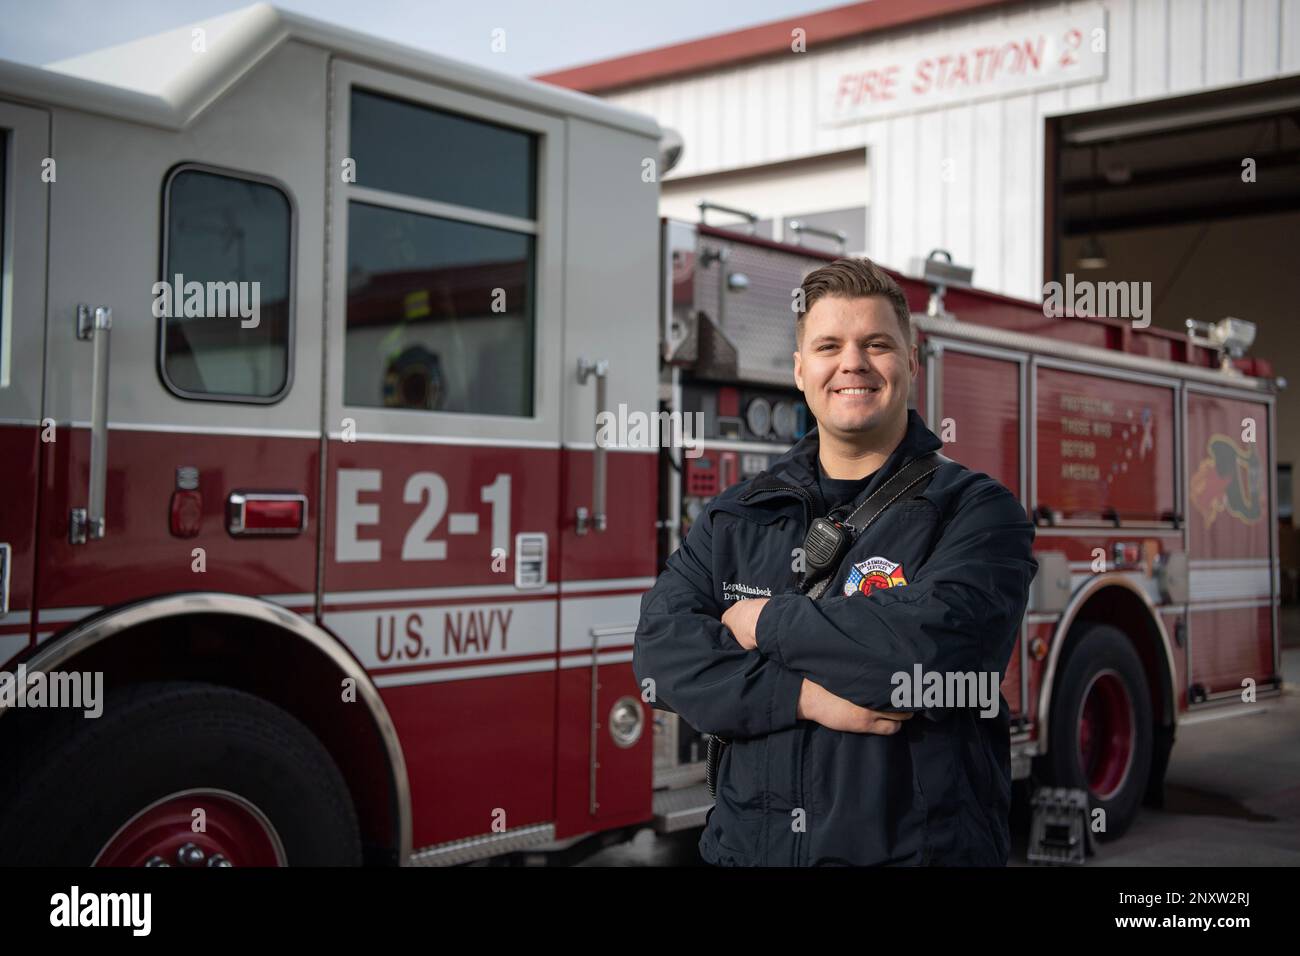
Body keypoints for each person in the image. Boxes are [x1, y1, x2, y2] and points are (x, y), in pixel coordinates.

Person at [633, 257, 1038, 866]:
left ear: (910, 362)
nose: (853, 363)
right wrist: (804, 697)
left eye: (876, 343)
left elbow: (927, 648)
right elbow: (661, 656)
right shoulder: (736, 518)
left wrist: (762, 623)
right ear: (800, 371)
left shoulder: (978, 513)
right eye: (829, 346)